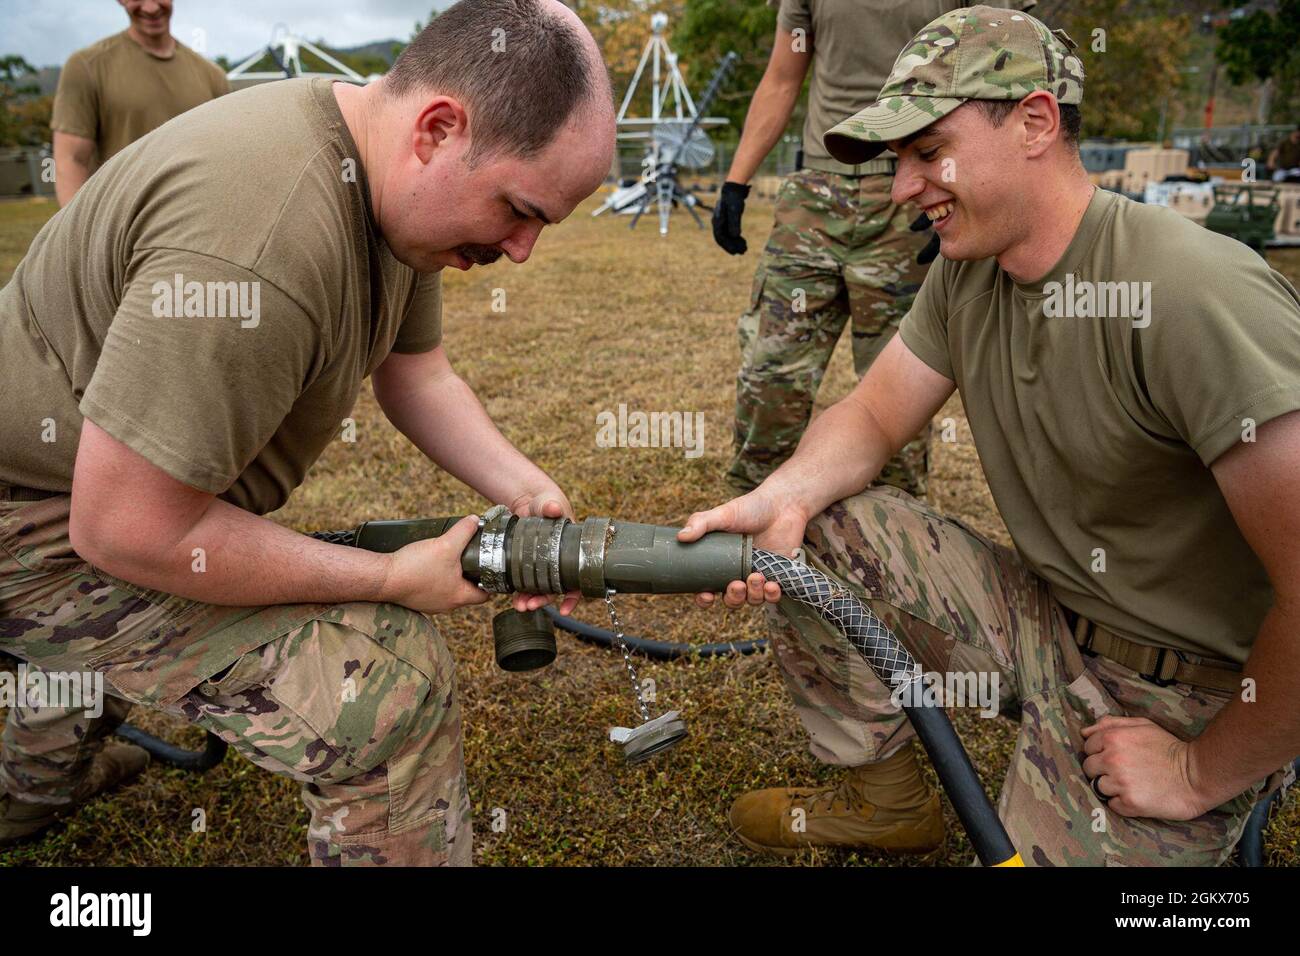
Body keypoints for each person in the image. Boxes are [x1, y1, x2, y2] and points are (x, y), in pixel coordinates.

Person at [0, 0, 614, 866]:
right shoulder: (259, 237)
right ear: (438, 129)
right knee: (388, 686)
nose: (522, 250)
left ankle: (29, 778)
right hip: (39, 521)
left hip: (99, 491)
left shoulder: (383, 176)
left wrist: (524, 491)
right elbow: (127, 528)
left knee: (89, 676)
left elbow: (417, 372)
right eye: (520, 210)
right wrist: (394, 578)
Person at [682, 5, 1299, 865]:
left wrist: (1198, 770)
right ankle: (887, 799)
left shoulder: (1192, 291)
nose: (903, 189)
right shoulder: (970, 273)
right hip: (1052, 622)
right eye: (900, 162)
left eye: (930, 153)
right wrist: (784, 494)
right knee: (814, 530)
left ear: (1037, 122)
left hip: (1186, 689)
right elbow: (870, 415)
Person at [714, 1, 1034, 494]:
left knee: (901, 387)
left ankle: (895, 538)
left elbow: (1009, 71)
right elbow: (782, 79)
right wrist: (736, 182)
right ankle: (751, 528)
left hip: (913, 188)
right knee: (770, 373)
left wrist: (959, 188)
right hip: (817, 193)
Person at [52, 0, 229, 205]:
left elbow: (223, 160)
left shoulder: (212, 76)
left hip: (194, 219)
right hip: (121, 224)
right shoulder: (86, 67)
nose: (151, 8)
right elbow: (71, 160)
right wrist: (78, 234)